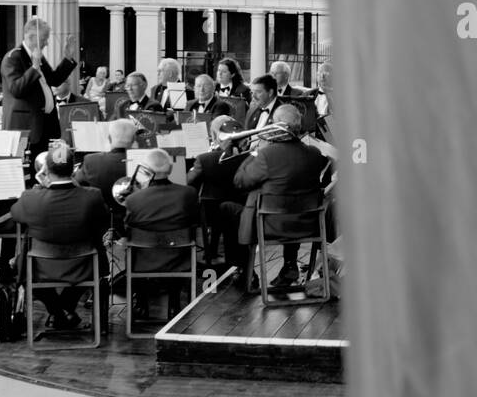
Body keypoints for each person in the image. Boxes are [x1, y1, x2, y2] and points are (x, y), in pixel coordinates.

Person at [233, 104, 336, 291]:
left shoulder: (265, 155)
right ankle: (290, 265)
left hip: (270, 225)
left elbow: (240, 181)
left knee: (234, 208)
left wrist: (254, 153)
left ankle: (246, 272)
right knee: (291, 202)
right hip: (308, 224)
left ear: (277, 126)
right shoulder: (314, 154)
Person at [8, 142, 108, 331]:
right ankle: (65, 308)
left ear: (46, 169)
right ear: (73, 169)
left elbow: (15, 215)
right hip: (84, 266)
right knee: (93, 256)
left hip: (40, 268)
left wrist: (41, 188)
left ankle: (57, 310)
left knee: (25, 263)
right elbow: (103, 218)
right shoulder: (92, 196)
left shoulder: (31, 197)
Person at [121, 148, 201, 317]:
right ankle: (174, 303)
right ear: (170, 169)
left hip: (143, 261)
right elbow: (195, 221)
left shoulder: (133, 199)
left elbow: (127, 228)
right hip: (179, 258)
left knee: (131, 247)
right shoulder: (188, 193)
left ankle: (141, 303)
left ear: (147, 171)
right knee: (177, 249)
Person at [0, 15, 79, 173]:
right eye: (44, 38)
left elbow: (54, 79)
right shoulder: (13, 57)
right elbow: (16, 89)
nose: (47, 43)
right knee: (28, 172)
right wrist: (34, 68)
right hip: (26, 127)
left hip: (45, 125)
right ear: (31, 37)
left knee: (45, 169)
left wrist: (68, 58)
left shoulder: (38, 56)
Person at [187, 115, 246, 267]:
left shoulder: (204, 159)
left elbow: (188, 181)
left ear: (215, 136)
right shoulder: (248, 158)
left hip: (209, 212)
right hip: (237, 209)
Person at [73, 118, 137, 236]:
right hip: (136, 224)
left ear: (109, 138)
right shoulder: (142, 162)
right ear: (134, 140)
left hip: (100, 225)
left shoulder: (91, 160)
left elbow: (77, 185)